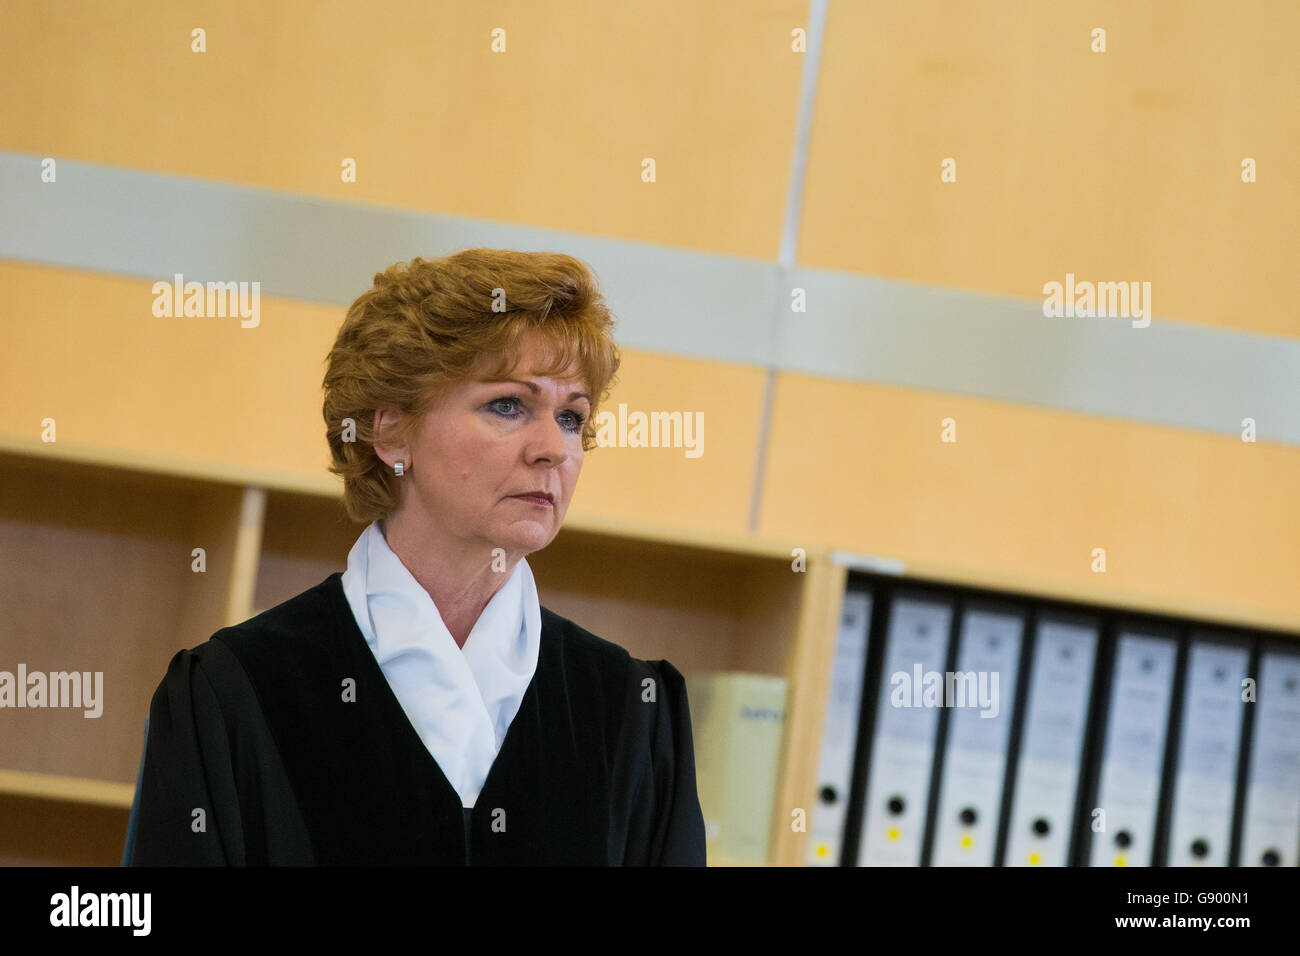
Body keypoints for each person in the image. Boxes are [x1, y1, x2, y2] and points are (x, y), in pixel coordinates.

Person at [128, 249, 706, 865]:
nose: (552, 449)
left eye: (571, 416)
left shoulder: (632, 714)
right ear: (391, 431)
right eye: (508, 405)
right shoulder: (231, 694)